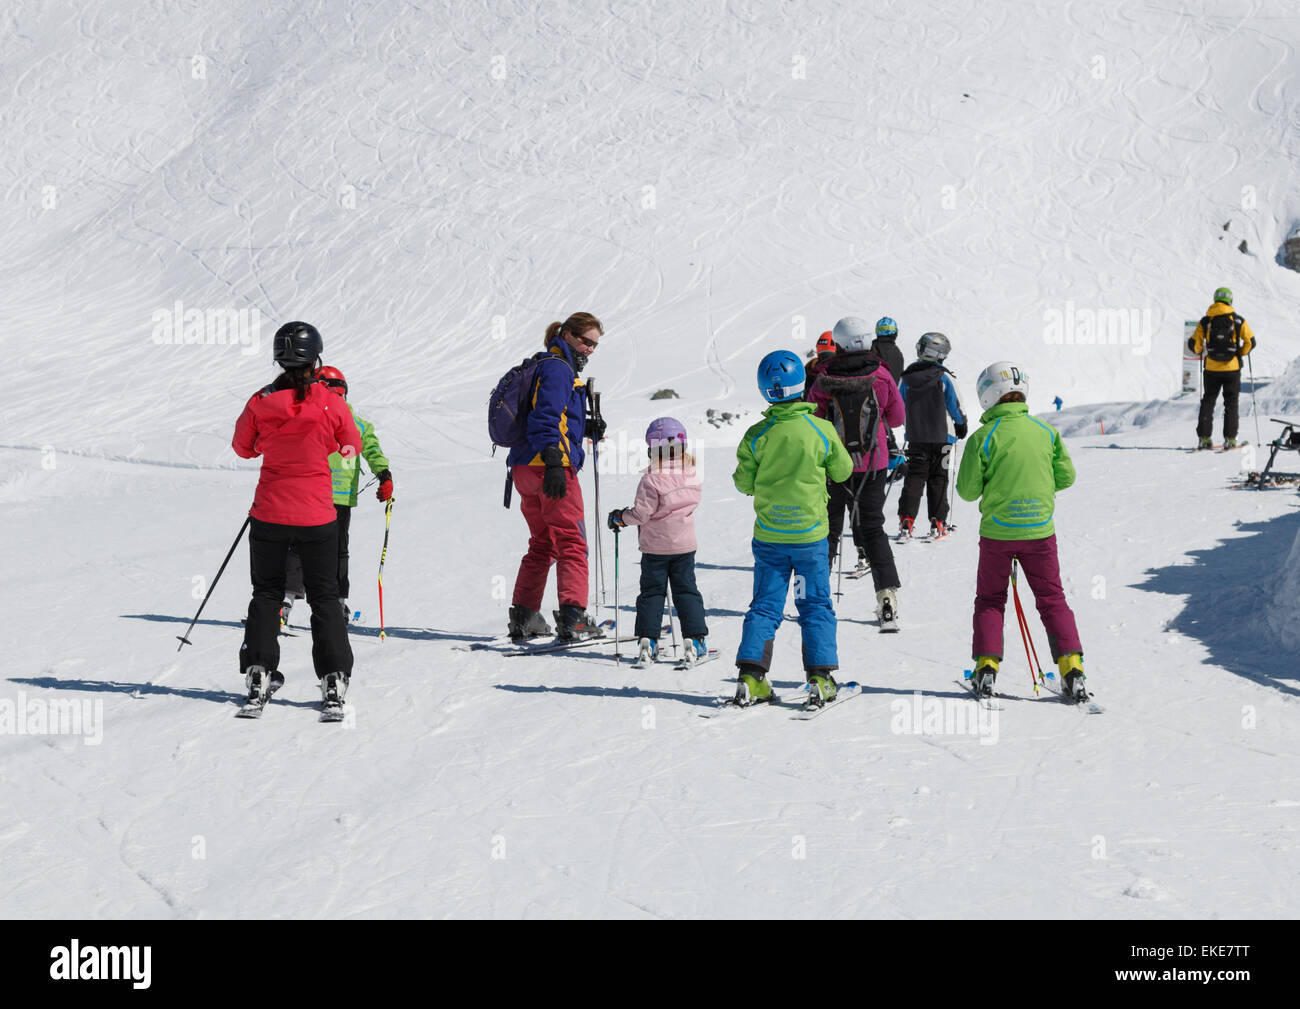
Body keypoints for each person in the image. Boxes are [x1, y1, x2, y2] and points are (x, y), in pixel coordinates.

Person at [232, 321, 362, 714]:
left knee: (267, 593)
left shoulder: (261, 400)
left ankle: (258, 671)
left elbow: (243, 448)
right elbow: (351, 444)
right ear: (315, 357)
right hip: (317, 515)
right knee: (324, 597)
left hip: (270, 511)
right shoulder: (329, 401)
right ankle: (334, 679)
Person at [956, 361, 1086, 700]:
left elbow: (967, 491)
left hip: (998, 534)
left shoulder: (983, 438)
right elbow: (1066, 477)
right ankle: (1072, 668)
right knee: (1052, 599)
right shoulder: (1045, 431)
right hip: (1040, 533)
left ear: (988, 396)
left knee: (990, 599)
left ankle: (986, 668)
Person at [732, 351, 853, 706]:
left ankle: (752, 677)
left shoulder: (758, 434)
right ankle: (820, 676)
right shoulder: (820, 429)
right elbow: (844, 470)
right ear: (803, 384)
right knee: (814, 603)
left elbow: (743, 482)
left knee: (766, 604)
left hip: (770, 536)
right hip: (810, 536)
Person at [506, 312, 606, 642]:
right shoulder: (558, 368)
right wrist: (553, 459)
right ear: (566, 334)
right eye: (584, 341)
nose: (589, 349)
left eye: (594, 344)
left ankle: (525, 616)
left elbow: (553, 415)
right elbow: (546, 416)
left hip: (523, 466)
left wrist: (585, 427)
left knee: (543, 543)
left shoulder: (545, 364)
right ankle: (573, 618)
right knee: (571, 542)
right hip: (551, 467)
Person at [811, 319, 906, 631]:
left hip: (833, 464)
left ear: (838, 343)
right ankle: (887, 596)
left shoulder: (825, 375)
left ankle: (816, 597)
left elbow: (814, 417)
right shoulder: (881, 374)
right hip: (874, 463)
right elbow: (897, 417)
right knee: (873, 528)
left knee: (829, 528)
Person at [281, 365, 393, 627]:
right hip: (334, 500)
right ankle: (337, 605)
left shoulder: (314, 417)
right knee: (337, 552)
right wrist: (384, 475)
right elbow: (373, 451)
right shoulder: (357, 423)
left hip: (313, 496)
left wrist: (384, 474)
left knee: (298, 547)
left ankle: (287, 602)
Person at [607, 417, 708, 666]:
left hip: (655, 549)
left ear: (652, 449)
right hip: (684, 546)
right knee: (686, 591)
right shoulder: (692, 474)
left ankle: (647, 641)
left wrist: (621, 518)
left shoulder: (651, 479)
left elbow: (641, 514)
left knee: (651, 593)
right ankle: (694, 640)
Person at [897, 332, 968, 541]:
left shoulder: (907, 378)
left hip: (917, 437)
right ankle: (938, 522)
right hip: (944, 438)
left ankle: (906, 521)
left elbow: (900, 408)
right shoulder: (944, 377)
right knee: (939, 478)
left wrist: (909, 425)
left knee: (914, 478)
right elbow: (955, 405)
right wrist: (961, 424)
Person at [1187, 286, 1256, 449]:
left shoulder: (1206, 321)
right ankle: (1230, 439)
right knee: (1231, 403)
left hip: (1211, 369)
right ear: (1230, 301)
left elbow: (1194, 346)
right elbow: (1251, 342)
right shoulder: (1238, 320)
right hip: (1232, 369)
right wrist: (1239, 352)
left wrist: (1202, 349)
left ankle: (1204, 438)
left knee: (1208, 401)